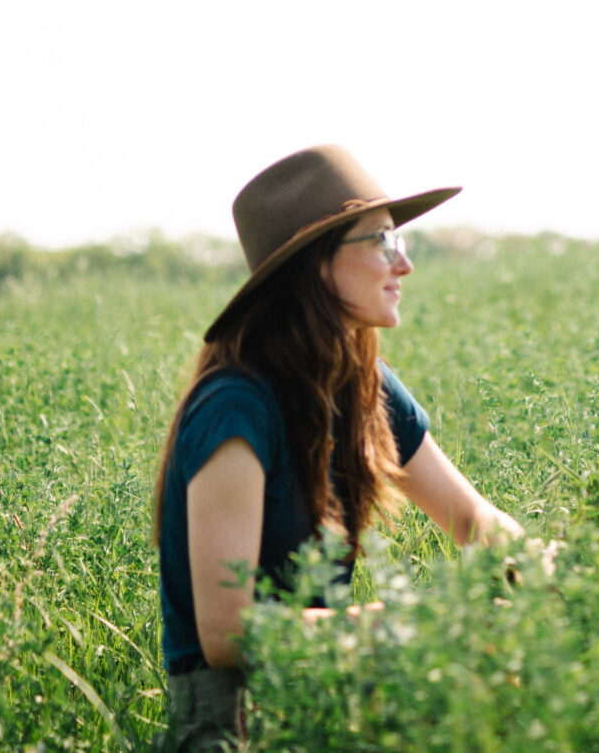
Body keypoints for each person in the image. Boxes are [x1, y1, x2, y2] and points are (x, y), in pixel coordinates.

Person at [152, 144, 524, 751]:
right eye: (381, 241)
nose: (402, 265)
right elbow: (226, 636)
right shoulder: (234, 407)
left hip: (330, 695)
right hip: (230, 724)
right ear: (314, 265)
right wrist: (399, 626)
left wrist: (538, 561)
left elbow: (469, 516)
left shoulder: (364, 388)